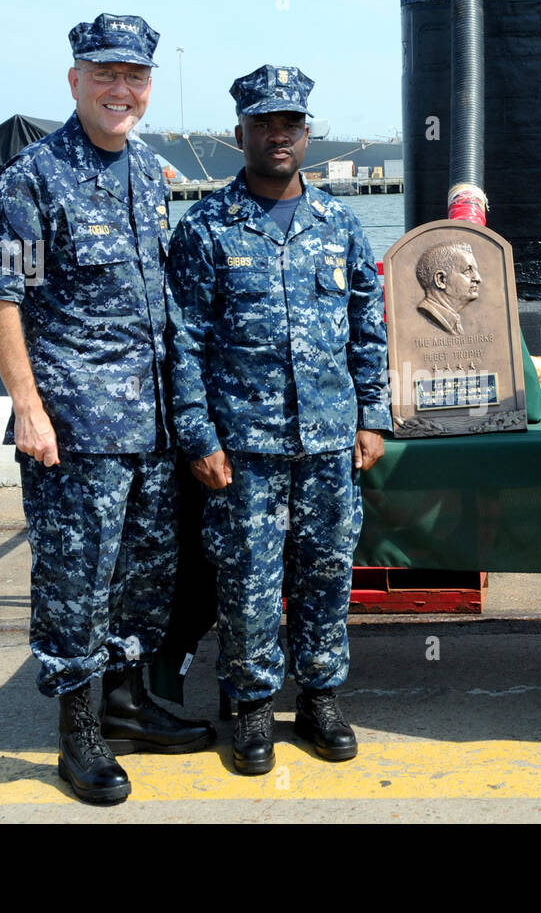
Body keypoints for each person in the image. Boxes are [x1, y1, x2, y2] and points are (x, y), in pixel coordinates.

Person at [0, 13, 215, 806]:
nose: (122, 89)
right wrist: (28, 407)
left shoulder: (147, 173)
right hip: (73, 431)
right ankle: (76, 735)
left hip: (145, 428)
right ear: (74, 80)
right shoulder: (30, 179)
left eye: (135, 76)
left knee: (142, 579)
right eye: (105, 74)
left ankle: (124, 701)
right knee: (77, 582)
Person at [166, 65, 391, 775]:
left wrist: (374, 415)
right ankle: (254, 704)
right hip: (245, 447)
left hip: (329, 439)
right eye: (263, 123)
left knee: (326, 573)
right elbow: (185, 341)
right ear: (241, 134)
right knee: (248, 580)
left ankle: (321, 697)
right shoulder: (205, 227)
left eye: (289, 123)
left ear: (306, 133)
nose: (277, 135)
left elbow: (367, 326)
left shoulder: (340, 225)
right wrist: (199, 436)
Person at [414, 241, 481, 335]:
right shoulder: (430, 316)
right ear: (441, 280)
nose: (478, 279)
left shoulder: (454, 321)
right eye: (467, 271)